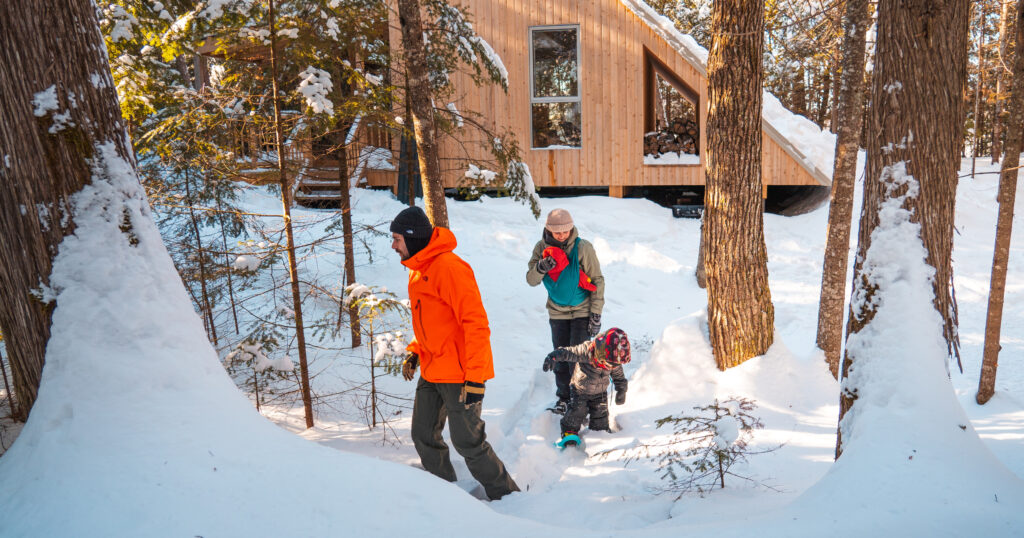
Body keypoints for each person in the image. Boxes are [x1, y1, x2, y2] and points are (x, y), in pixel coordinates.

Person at [390, 206, 519, 501]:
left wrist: (475, 378)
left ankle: (509, 498)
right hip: (433, 368)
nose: (393, 245)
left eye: (397, 238)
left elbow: (476, 324)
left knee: (468, 442)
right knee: (423, 435)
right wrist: (415, 351)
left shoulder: (449, 268)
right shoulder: (418, 269)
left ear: (412, 238)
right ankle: (446, 498)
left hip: (460, 375)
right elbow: (430, 323)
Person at [526, 208, 605, 414]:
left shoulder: (583, 248)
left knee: (579, 360)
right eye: (556, 232)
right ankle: (563, 399)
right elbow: (531, 280)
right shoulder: (541, 248)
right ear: (548, 230)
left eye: (565, 231)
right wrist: (540, 268)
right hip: (557, 313)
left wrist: (595, 313)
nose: (561, 236)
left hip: (582, 311)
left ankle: (580, 400)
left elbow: (597, 280)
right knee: (560, 357)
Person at [543, 328, 630, 446]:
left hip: (600, 393)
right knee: (577, 411)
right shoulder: (587, 351)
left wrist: (621, 390)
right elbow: (568, 352)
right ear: (602, 352)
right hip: (580, 390)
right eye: (608, 363)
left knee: (601, 414)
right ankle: (569, 432)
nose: (610, 367)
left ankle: (599, 434)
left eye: (613, 365)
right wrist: (553, 357)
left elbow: (619, 376)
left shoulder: (614, 360)